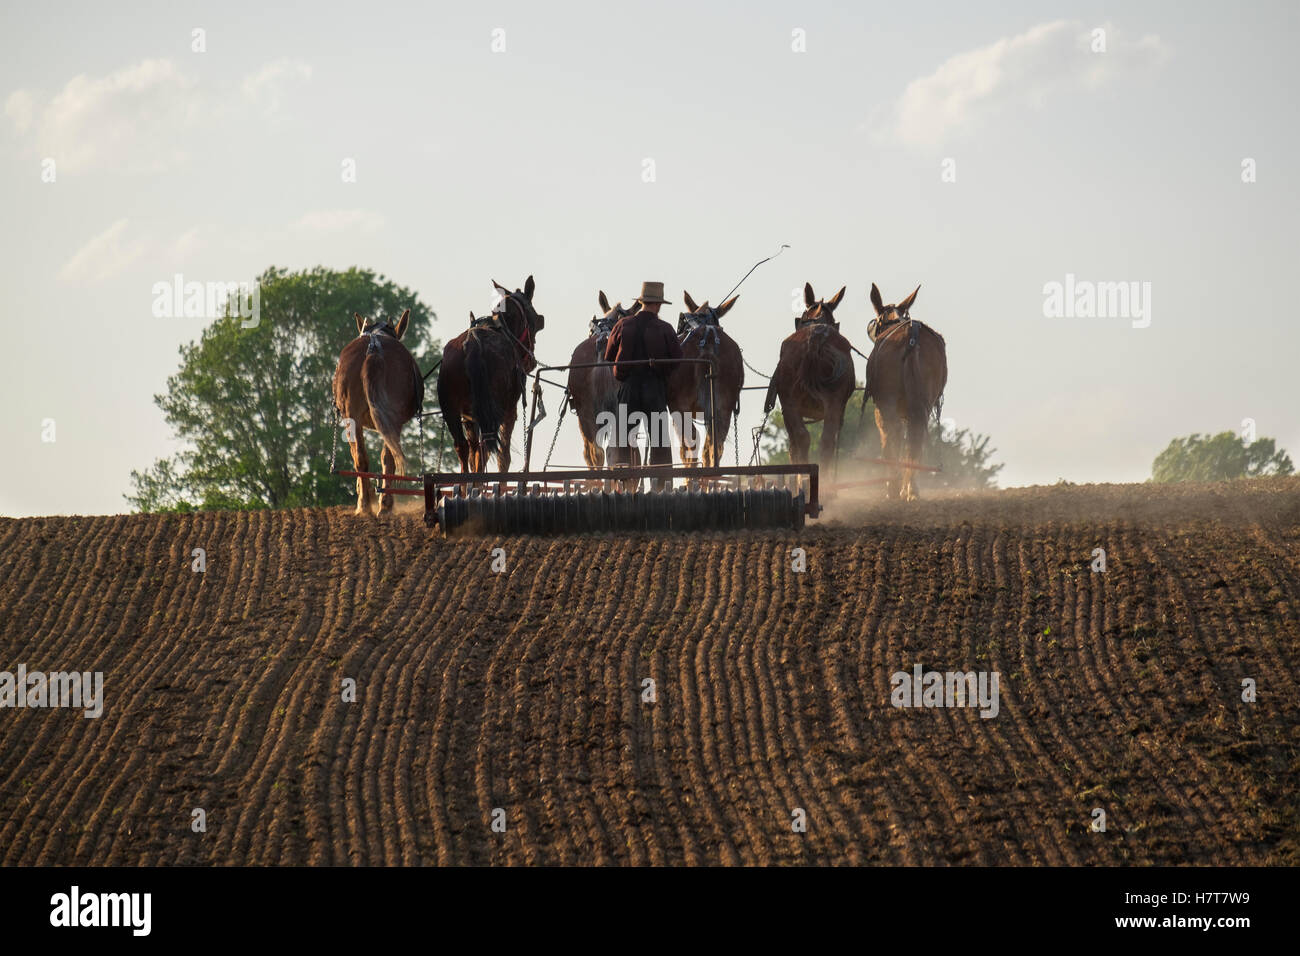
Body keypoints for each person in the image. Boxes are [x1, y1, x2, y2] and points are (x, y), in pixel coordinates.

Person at [603, 281, 684, 487]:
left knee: (623, 436)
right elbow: (677, 360)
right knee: (658, 439)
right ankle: (661, 485)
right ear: (658, 305)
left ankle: (624, 482)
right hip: (654, 388)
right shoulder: (665, 328)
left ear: (641, 302)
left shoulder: (622, 325)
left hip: (628, 387)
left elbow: (609, 355)